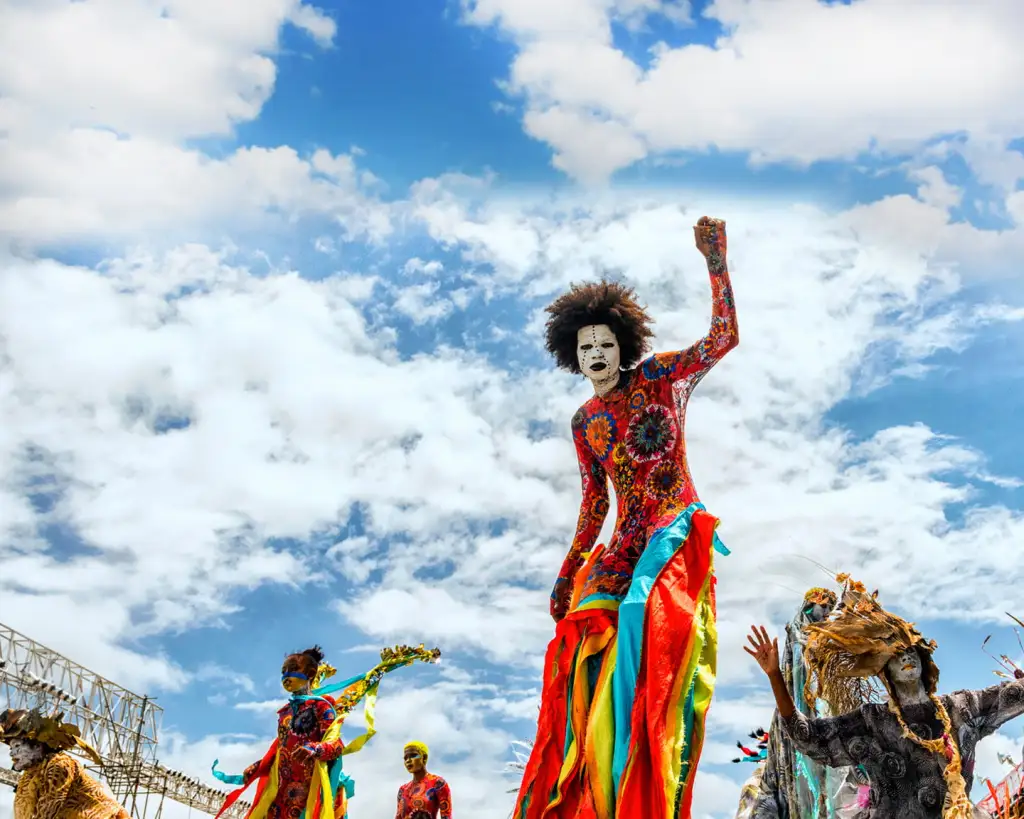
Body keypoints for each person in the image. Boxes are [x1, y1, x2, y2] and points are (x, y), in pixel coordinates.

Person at [514, 217, 739, 819]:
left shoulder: (662, 377)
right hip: (624, 543)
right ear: (573, 355)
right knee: (580, 635)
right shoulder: (584, 422)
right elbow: (595, 505)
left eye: (604, 344)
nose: (595, 355)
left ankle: (648, 785)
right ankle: (590, 789)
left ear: (623, 345)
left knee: (643, 618)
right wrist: (568, 575)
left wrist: (715, 261)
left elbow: (722, 339)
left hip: (674, 529)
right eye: (585, 348)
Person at [744, 575, 1024, 819]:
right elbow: (807, 735)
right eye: (897, 656)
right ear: (884, 670)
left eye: (911, 652)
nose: (906, 659)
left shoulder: (961, 707)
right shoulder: (873, 722)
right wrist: (775, 677)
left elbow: (1011, 695)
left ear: (924, 661)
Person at [213, 644, 440, 819]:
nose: (285, 676)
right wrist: (254, 769)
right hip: (280, 792)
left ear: (311, 673)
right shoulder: (284, 713)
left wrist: (314, 748)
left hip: (308, 792)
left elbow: (336, 745)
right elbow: (279, 749)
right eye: (283, 671)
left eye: (292, 670)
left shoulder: (321, 707)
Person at [746, 587, 869, 819]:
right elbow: (796, 672)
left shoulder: (835, 645)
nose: (825, 614)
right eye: (823, 607)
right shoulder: (799, 636)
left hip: (829, 714)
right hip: (799, 712)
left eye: (830, 610)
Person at [0, 708, 127, 819]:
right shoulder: (29, 776)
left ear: (38, 746)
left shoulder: (59, 765)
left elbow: (48, 810)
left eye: (17, 746)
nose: (12, 754)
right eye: (11, 748)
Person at [395, 741, 452, 819]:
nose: (408, 760)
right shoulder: (403, 789)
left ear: (424, 758)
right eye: (405, 758)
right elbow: (398, 816)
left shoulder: (438, 783)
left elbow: (446, 816)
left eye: (413, 755)